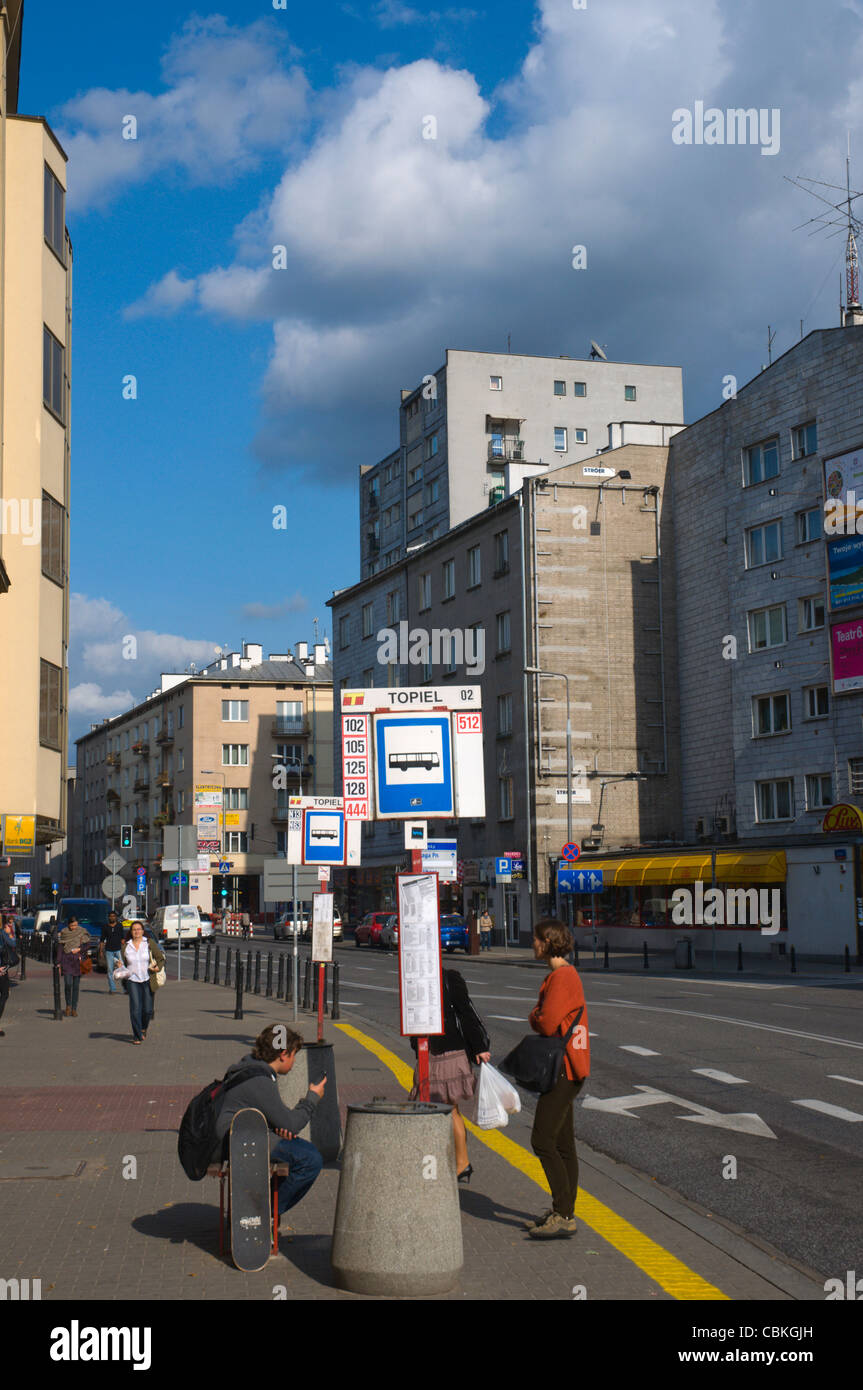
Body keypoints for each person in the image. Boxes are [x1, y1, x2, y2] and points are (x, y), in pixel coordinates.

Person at [212, 1024, 326, 1231]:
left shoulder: (251, 1067)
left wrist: (277, 1127)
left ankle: (261, 1209)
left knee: (301, 1150)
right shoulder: (260, 1080)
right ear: (283, 1054)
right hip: (237, 1141)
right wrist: (312, 1098)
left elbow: (278, 1119)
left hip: (239, 1135)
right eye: (293, 1056)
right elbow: (292, 1124)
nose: (293, 1062)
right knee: (310, 1159)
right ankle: (260, 1214)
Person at [524, 917, 590, 1239]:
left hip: (564, 1069)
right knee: (563, 1144)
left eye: (536, 939)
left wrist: (533, 1015)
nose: (532, 943)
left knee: (542, 1140)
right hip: (569, 1066)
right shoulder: (563, 975)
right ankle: (565, 1211)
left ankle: (563, 1213)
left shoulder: (562, 977)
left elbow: (547, 1023)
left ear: (548, 942)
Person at [409, 969, 491, 1182]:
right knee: (441, 1108)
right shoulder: (413, 976)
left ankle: (462, 1162)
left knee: (449, 1109)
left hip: (449, 1051)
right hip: (428, 1051)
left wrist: (479, 1047)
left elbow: (466, 1012)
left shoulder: (448, 978)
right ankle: (451, 1158)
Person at [114, 920, 165, 1044]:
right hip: (132, 980)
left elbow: (160, 958)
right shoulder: (126, 946)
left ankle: (143, 1027)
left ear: (143, 931)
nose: (136, 931)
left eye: (139, 929)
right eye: (134, 929)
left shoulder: (149, 943)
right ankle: (137, 1036)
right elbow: (120, 961)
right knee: (135, 1008)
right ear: (131, 932)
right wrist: (119, 964)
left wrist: (158, 966)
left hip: (148, 979)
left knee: (147, 1009)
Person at [58, 916, 92, 1017]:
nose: (74, 927)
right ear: (68, 924)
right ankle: (68, 1005)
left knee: (76, 986)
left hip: (77, 960)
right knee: (68, 984)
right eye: (72, 925)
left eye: (76, 925)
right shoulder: (64, 932)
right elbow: (60, 947)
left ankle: (74, 1008)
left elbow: (87, 945)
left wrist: (79, 949)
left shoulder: (82, 931)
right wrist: (58, 962)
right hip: (67, 960)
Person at [0, 921, 19, 1037]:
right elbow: (13, 944)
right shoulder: (2, 933)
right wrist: (11, 933)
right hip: (2, 970)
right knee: (4, 994)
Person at [101, 911, 126, 994]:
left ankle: (126, 989)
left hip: (118, 950)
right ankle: (113, 989)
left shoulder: (119, 925)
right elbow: (102, 940)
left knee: (123, 970)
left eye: (113, 916)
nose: (112, 917)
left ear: (116, 917)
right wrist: (101, 951)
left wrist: (124, 944)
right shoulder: (105, 926)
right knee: (110, 970)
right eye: (110, 916)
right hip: (108, 951)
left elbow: (122, 938)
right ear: (108, 917)